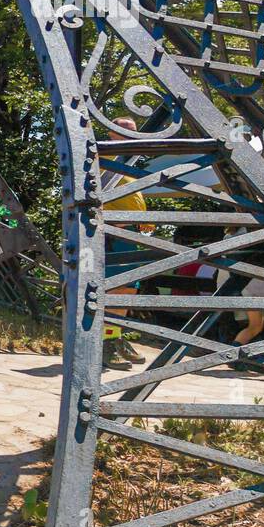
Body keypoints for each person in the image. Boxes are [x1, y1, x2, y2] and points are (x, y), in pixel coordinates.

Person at [102, 117, 153, 369]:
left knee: (128, 290)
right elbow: (93, 193)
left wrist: (142, 218)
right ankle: (106, 345)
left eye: (134, 132)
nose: (133, 136)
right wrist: (110, 221)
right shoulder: (105, 156)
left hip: (130, 232)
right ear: (113, 132)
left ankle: (116, 338)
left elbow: (131, 196)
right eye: (127, 131)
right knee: (113, 291)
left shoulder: (128, 161)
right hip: (112, 233)